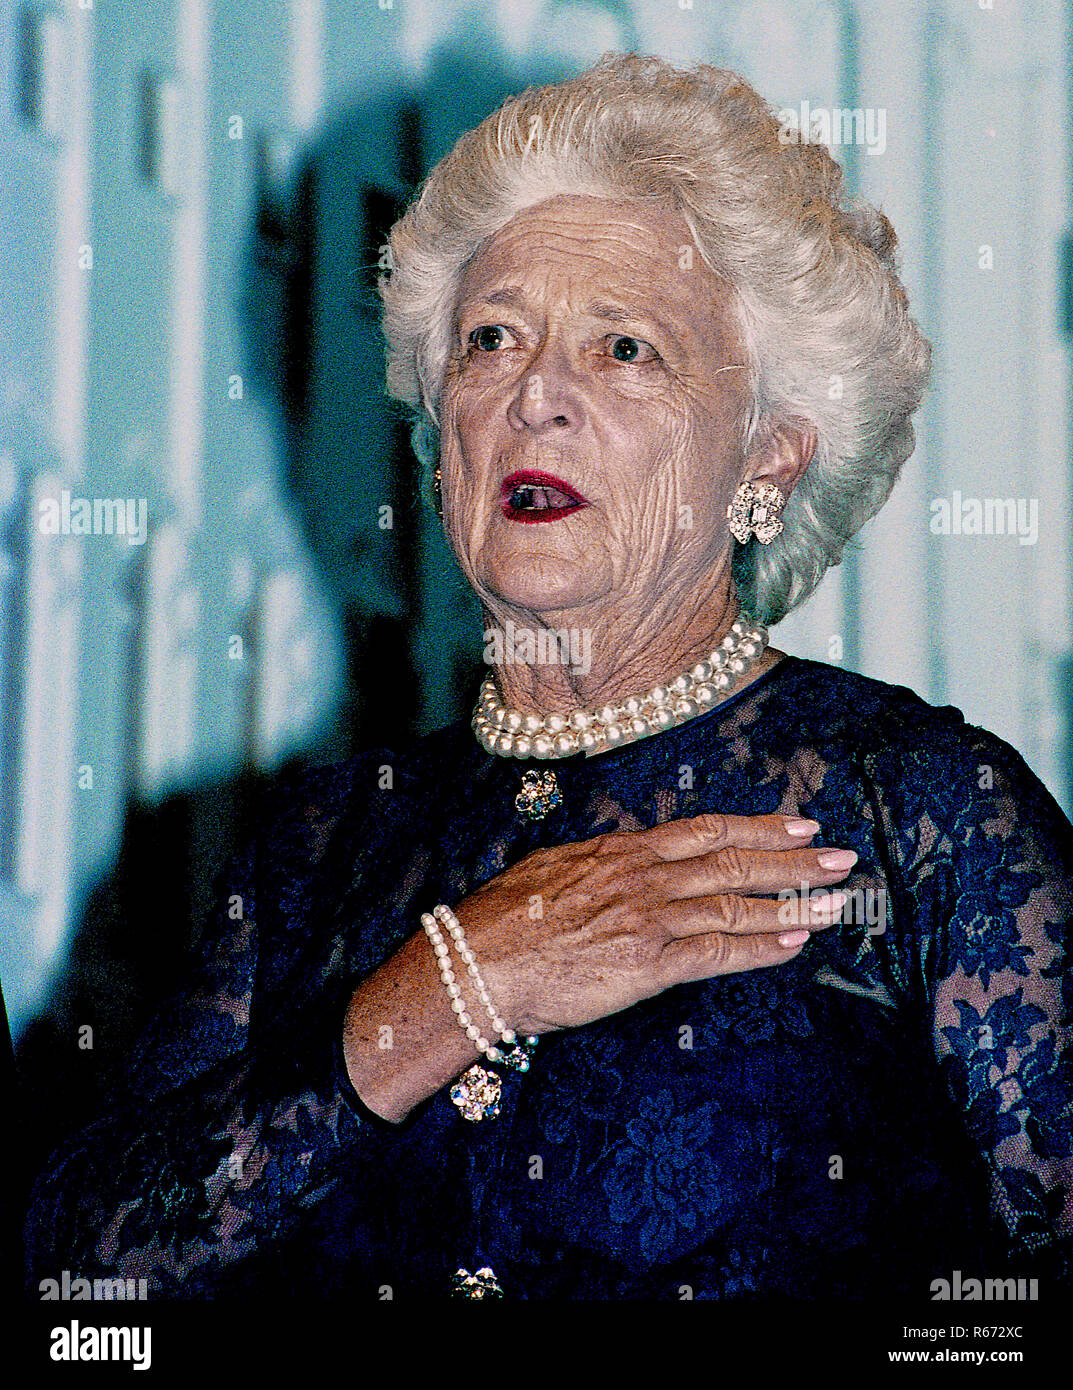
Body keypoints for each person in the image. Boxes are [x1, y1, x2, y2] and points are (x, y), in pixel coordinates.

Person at [24, 52, 1072, 1300]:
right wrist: (452, 984)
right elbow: (76, 1292)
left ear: (772, 457)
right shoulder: (316, 845)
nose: (534, 399)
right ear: (440, 439)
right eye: (490, 340)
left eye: (623, 348)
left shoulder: (925, 812)